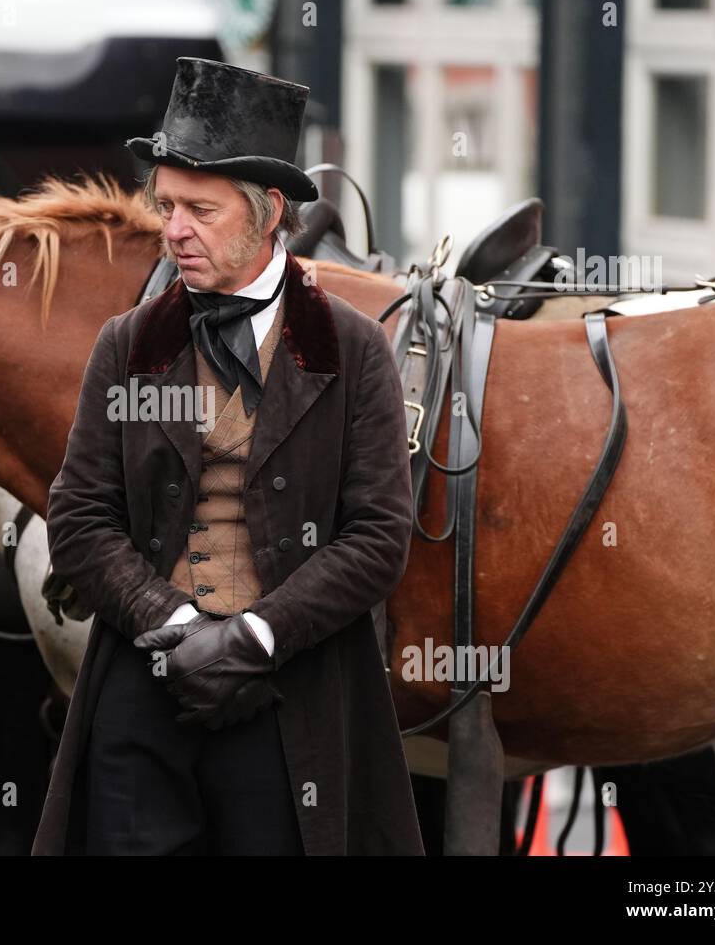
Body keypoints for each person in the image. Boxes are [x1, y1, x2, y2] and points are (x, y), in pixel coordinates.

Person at [32, 57, 423, 855]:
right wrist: (171, 621)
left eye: (199, 210)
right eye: (166, 205)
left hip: (291, 701)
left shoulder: (353, 350)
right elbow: (76, 517)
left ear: (269, 210)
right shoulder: (127, 343)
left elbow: (379, 536)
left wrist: (254, 637)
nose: (173, 229)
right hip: (143, 692)